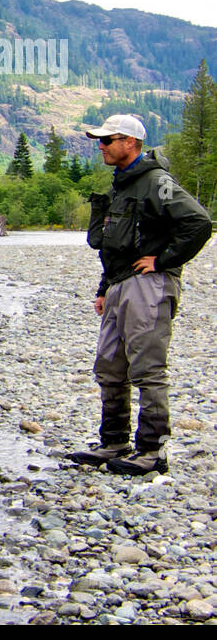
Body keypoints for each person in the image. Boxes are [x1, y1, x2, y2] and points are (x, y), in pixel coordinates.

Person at [67, 114, 212, 476]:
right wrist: (104, 288)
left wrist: (163, 261)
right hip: (120, 284)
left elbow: (198, 222)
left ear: (129, 142)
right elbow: (115, 245)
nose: (101, 147)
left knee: (148, 369)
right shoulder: (123, 184)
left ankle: (152, 450)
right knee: (109, 367)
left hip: (148, 286)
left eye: (107, 140)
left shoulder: (156, 182)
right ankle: (114, 442)